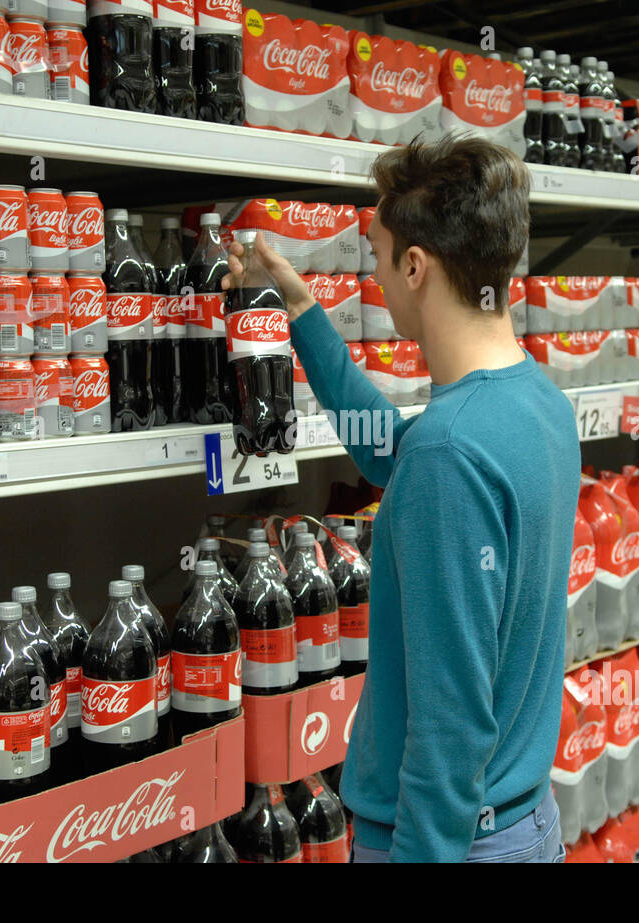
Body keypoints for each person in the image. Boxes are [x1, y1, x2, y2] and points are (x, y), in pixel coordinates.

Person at [222, 134, 580, 862]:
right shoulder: (535, 404)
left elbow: (450, 728)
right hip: (522, 822)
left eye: (379, 256)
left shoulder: (449, 453)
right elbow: (391, 448)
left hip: (449, 843)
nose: (377, 277)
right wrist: (302, 310)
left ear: (416, 267)